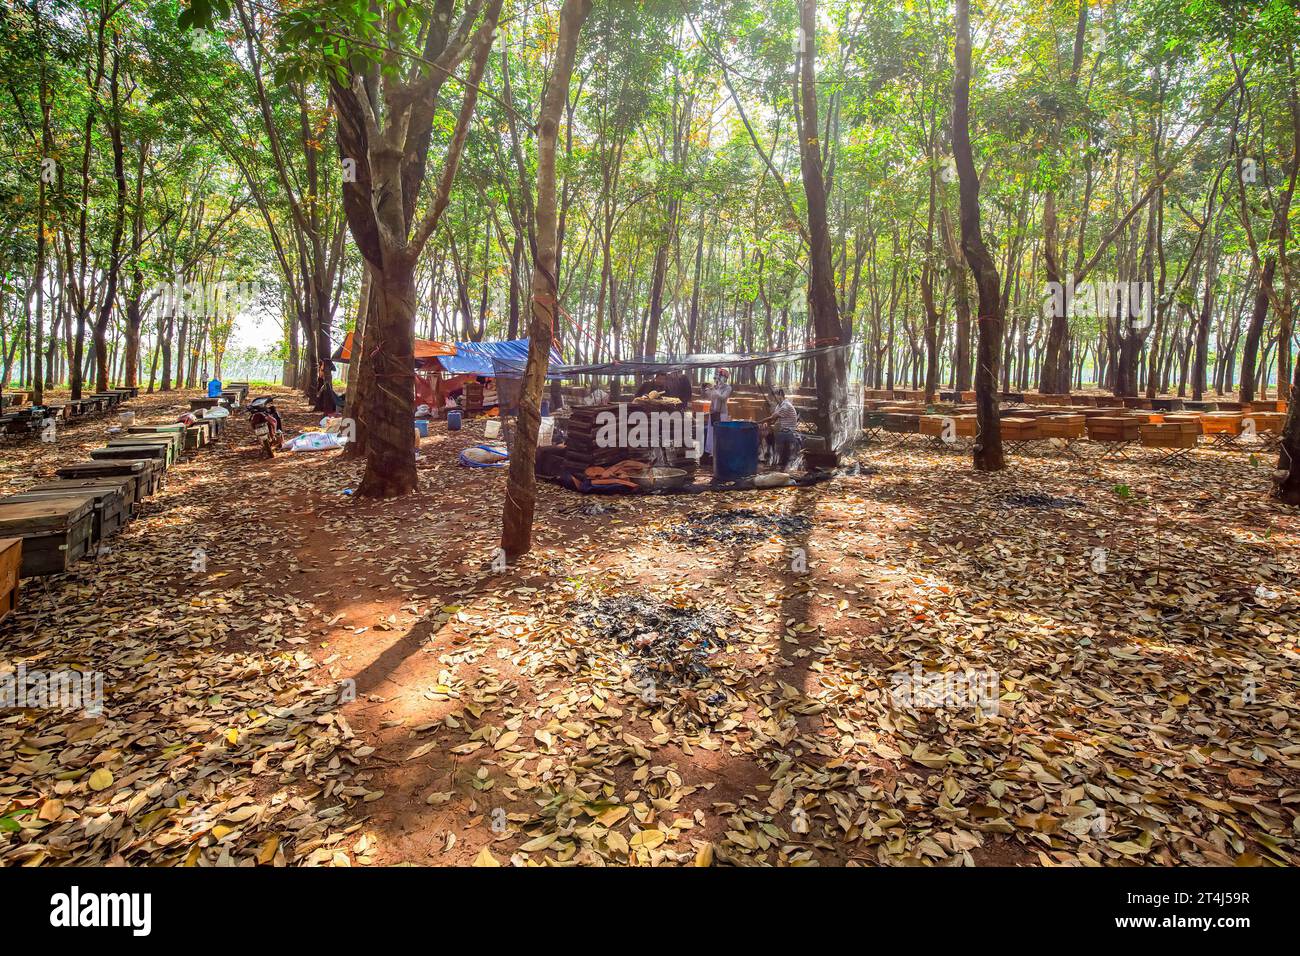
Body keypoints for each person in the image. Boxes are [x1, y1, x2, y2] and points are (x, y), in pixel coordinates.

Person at [762, 387, 801, 470]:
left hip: (788, 431)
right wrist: (766, 424)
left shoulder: (785, 406)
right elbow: (773, 420)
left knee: (774, 434)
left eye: (775, 396)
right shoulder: (779, 406)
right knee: (767, 433)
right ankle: (769, 455)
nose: (773, 399)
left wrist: (759, 422)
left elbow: (772, 418)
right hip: (782, 429)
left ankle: (779, 461)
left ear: (780, 395)